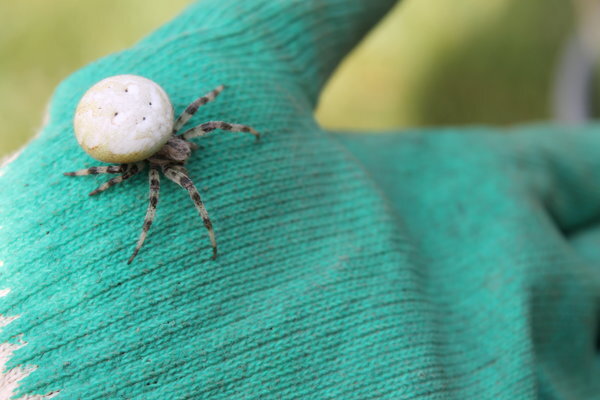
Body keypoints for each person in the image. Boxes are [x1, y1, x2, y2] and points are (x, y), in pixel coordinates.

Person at [1, 1, 599, 398]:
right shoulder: (158, 164)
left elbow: (209, 114)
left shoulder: (185, 132)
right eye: (180, 148)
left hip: (135, 119)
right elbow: (151, 196)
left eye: (184, 142)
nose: (187, 154)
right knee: (148, 190)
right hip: (122, 132)